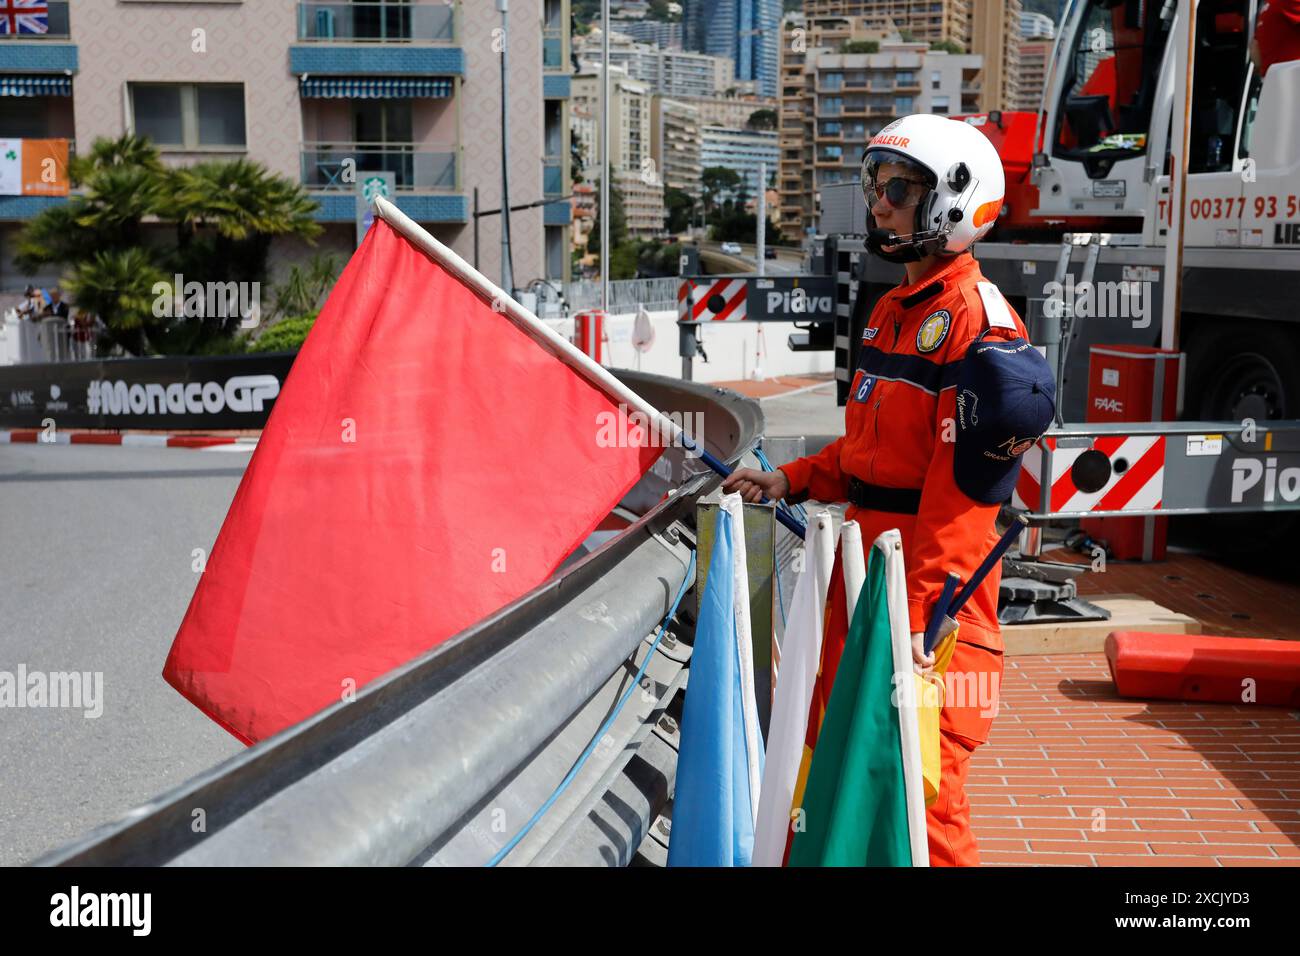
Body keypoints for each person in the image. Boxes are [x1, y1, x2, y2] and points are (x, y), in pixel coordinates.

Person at [723, 113, 1055, 866]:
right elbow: (869, 454)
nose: (879, 201)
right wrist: (789, 478)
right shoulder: (889, 312)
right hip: (865, 588)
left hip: (926, 613)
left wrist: (913, 629)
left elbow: (958, 509)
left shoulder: (980, 331)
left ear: (952, 204)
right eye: (875, 183)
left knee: (925, 797)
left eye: (899, 188)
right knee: (837, 768)